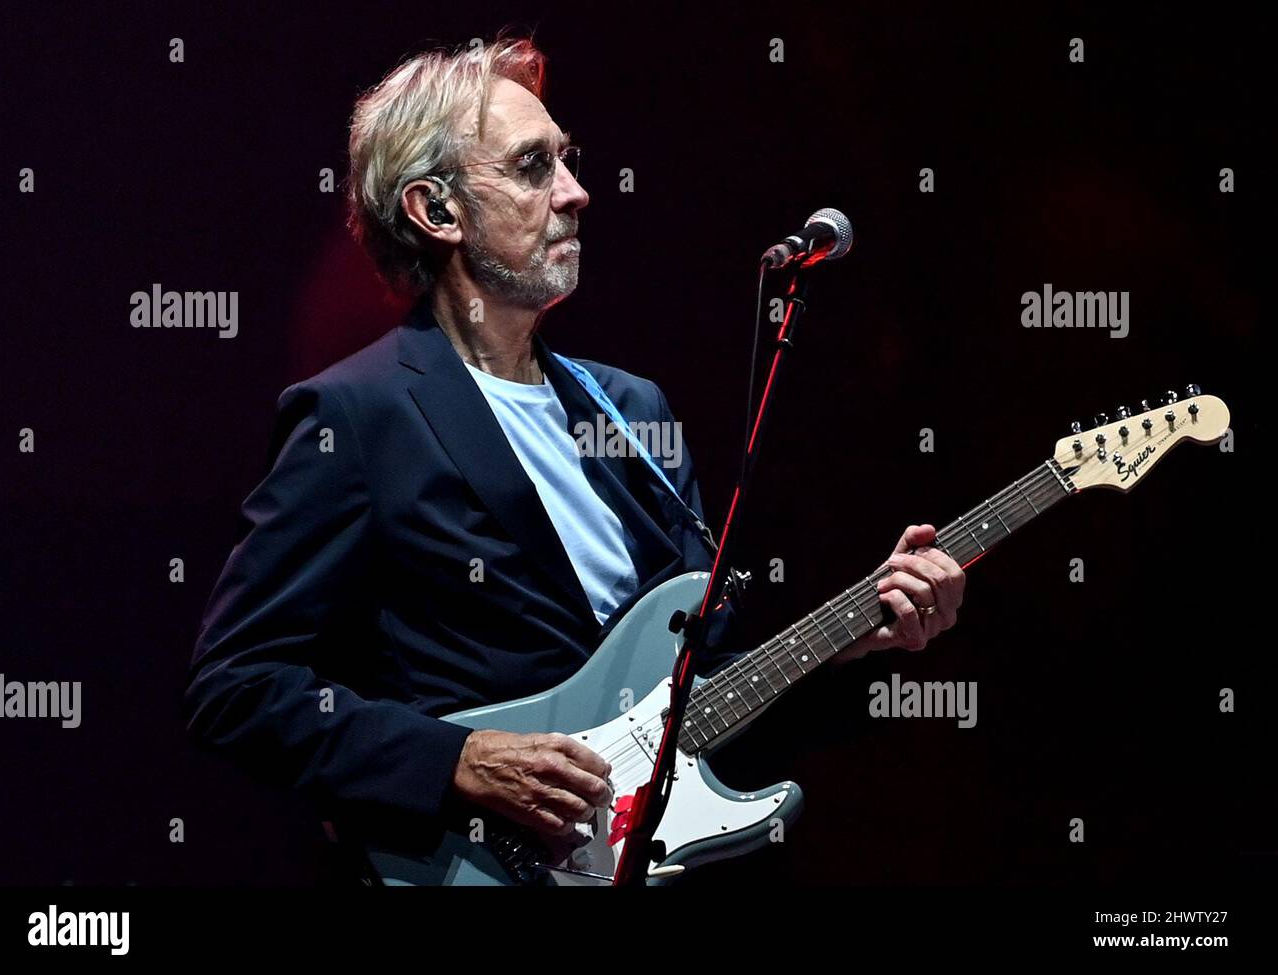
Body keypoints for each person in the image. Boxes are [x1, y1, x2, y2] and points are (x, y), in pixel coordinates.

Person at [182, 34, 965, 878]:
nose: (578, 193)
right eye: (531, 166)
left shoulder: (631, 412)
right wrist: (456, 760)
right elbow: (237, 684)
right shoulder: (356, 416)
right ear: (435, 211)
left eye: (569, 159)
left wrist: (858, 637)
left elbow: (700, 691)